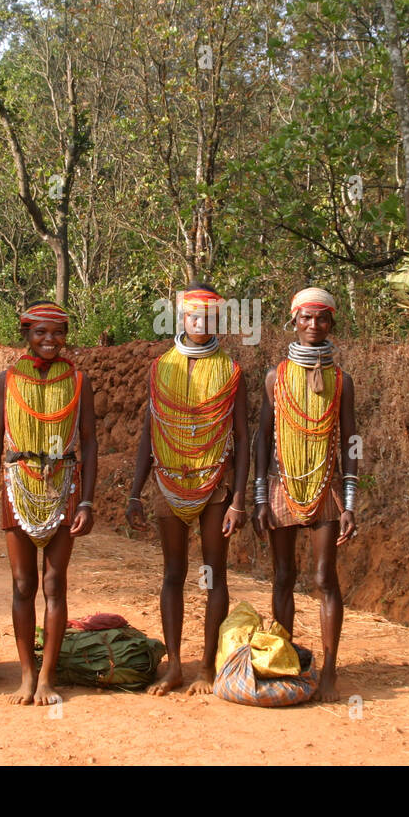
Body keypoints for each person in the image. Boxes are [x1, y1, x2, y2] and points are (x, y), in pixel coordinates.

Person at [127, 285, 249, 695]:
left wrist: (240, 499)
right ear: (182, 319)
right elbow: (150, 431)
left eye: (210, 318)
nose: (201, 324)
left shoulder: (232, 372)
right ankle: (176, 664)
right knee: (173, 574)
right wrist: (134, 492)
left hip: (215, 483)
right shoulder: (161, 369)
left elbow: (243, 438)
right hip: (168, 479)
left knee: (214, 573)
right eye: (194, 317)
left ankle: (208, 669)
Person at [0, 301, 97, 706]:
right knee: (23, 584)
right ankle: (26, 674)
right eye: (40, 333)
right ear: (26, 334)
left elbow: (90, 441)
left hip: (64, 485)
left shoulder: (79, 380)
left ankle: (47, 676)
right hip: (18, 484)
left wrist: (87, 502)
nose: (50, 340)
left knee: (53, 584)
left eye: (58, 332)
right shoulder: (7, 379)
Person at [253, 287, 357, 703]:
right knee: (282, 576)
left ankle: (330, 671)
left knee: (324, 579)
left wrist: (349, 502)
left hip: (326, 485)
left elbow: (350, 441)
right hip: (282, 483)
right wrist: (259, 496)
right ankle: (286, 662)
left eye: (322, 319)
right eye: (306, 318)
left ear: (332, 323)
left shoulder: (342, 381)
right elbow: (262, 438)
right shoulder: (275, 376)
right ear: (293, 322)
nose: (314, 326)